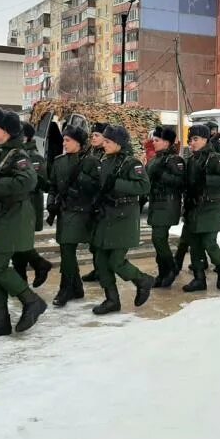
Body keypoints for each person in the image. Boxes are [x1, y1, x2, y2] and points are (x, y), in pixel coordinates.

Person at [0, 108, 47, 340]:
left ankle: (31, 301)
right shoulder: (0, 151)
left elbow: (28, 181)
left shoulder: (17, 155)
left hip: (12, 217)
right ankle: (0, 319)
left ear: (5, 131)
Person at [90, 124, 154, 313]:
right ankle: (112, 299)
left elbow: (144, 187)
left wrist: (117, 183)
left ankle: (142, 280)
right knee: (101, 261)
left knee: (116, 261)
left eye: (108, 141)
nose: (104, 144)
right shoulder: (106, 160)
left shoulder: (131, 162)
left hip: (124, 216)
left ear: (118, 143)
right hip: (106, 215)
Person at [45, 125, 99, 307]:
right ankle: (75, 287)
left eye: (68, 140)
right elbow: (52, 186)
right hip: (64, 211)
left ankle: (66, 287)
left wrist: (83, 181)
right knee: (66, 250)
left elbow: (98, 188)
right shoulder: (59, 161)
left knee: (67, 249)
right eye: (64, 140)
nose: (64, 143)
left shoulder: (90, 162)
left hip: (82, 213)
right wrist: (50, 202)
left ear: (79, 143)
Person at [182, 124, 220, 291]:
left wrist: (207, 179)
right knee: (195, 244)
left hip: (212, 206)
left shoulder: (216, 158)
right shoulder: (192, 160)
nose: (192, 143)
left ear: (205, 139)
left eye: (195, 139)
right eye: (190, 140)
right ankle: (199, 278)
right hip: (195, 207)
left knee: (208, 241)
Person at [10, 123, 53, 288]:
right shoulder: (16, 154)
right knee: (17, 245)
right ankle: (26, 276)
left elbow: (39, 183)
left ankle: (38, 266)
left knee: (21, 244)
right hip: (16, 206)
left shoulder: (34, 157)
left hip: (28, 206)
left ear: (25, 136)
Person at [146, 126, 185, 288]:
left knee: (159, 238)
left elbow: (181, 182)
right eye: (153, 140)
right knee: (157, 240)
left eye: (157, 140)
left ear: (167, 142)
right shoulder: (155, 159)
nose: (153, 143)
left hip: (168, 204)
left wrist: (162, 175)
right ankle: (163, 272)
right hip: (156, 203)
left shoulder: (174, 160)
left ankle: (171, 268)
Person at [80, 122, 107, 283]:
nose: (93, 138)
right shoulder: (91, 152)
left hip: (101, 203)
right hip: (90, 202)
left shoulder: (106, 154)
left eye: (97, 135)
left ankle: (102, 270)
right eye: (93, 135)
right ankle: (98, 269)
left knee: (100, 241)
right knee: (93, 241)